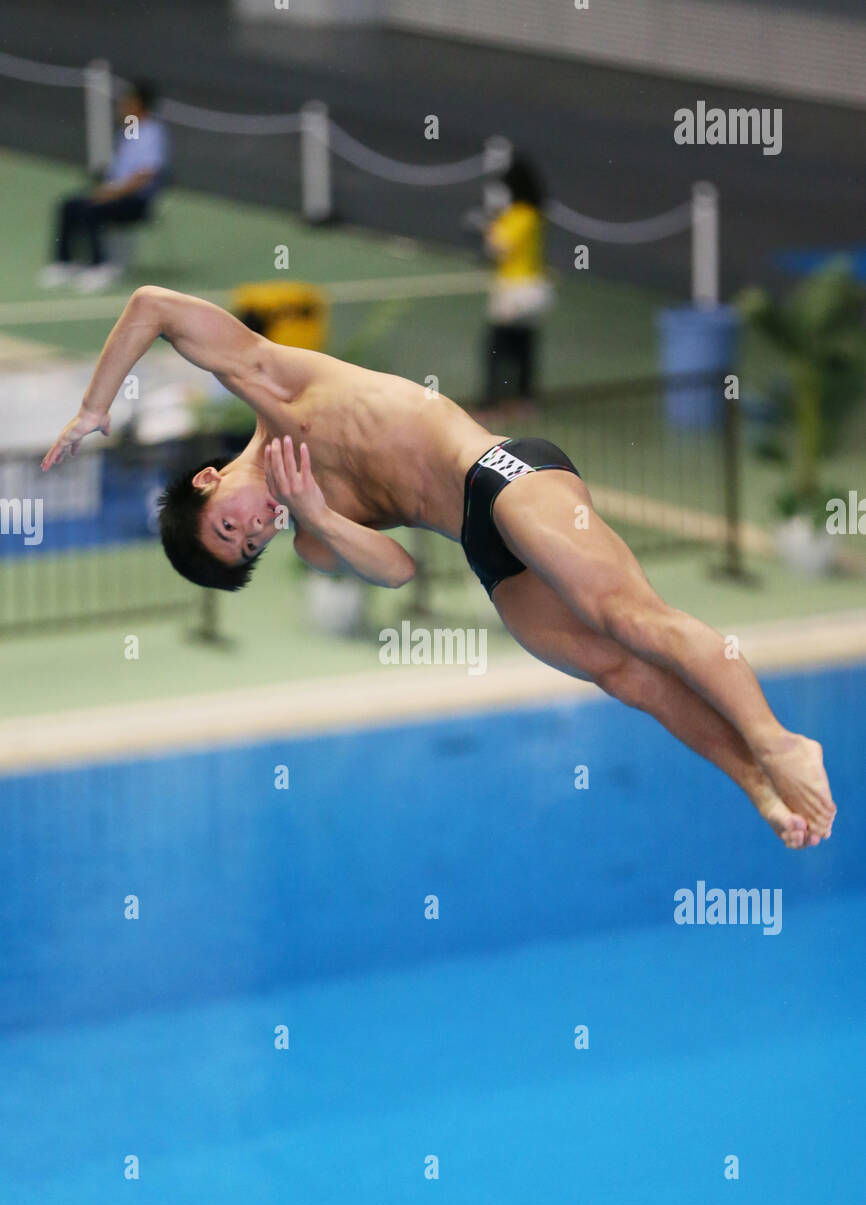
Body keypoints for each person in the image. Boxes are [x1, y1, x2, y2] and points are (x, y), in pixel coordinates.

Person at [42, 285, 836, 850]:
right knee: (616, 670)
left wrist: (96, 404)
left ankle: (779, 742)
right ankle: (754, 781)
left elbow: (150, 304)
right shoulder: (314, 536)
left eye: (230, 526)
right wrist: (315, 511)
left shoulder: (272, 384)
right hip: (481, 544)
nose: (254, 531)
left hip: (501, 475)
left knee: (629, 618)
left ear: (211, 480)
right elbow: (396, 573)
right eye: (246, 547)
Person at [38, 81, 169, 294]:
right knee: (69, 205)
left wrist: (112, 193)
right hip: (113, 193)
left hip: (135, 201)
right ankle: (64, 262)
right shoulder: (130, 128)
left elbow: (145, 174)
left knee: (93, 209)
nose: (122, 105)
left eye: (128, 102)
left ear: (140, 104)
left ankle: (101, 266)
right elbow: (121, 167)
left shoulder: (153, 133)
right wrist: (104, 186)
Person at [479, 155, 552, 412]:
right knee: (523, 346)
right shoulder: (532, 214)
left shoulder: (520, 215)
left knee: (498, 346)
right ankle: (523, 398)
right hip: (532, 288)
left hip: (516, 291)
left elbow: (499, 247)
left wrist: (488, 230)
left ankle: (493, 401)